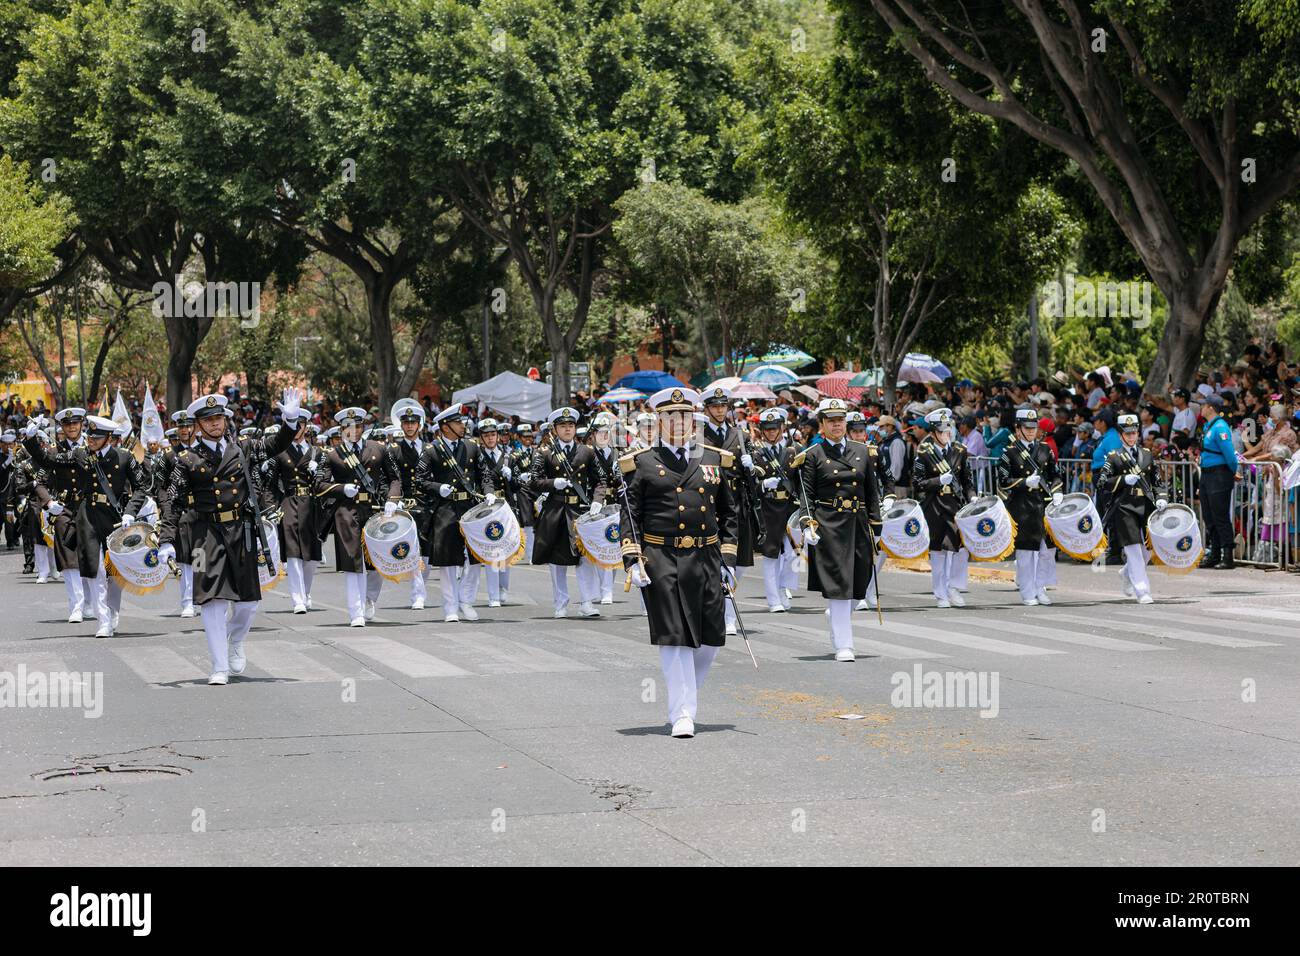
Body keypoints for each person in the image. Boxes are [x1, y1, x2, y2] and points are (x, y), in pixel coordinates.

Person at [618, 387, 738, 738]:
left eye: (685, 416)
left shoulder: (714, 459)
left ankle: (685, 696)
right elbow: (630, 515)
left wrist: (728, 557)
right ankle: (683, 712)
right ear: (659, 421)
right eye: (671, 417)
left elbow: (730, 513)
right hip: (661, 556)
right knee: (676, 637)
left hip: (705, 556)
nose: (679, 422)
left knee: (711, 639)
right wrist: (632, 558)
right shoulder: (641, 462)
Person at [157, 392, 298, 682]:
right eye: (208, 420)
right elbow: (173, 501)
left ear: (226, 420)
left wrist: (290, 421)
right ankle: (219, 665)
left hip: (240, 531)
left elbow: (275, 445)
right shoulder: (187, 460)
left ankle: (234, 639)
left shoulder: (243, 448)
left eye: (219, 418)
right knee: (212, 601)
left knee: (248, 603)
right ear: (198, 424)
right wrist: (167, 540)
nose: (215, 423)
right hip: (203, 535)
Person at [22, 414, 149, 637]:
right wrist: (31, 439)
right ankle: (103, 620)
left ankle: (112, 610)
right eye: (89, 435)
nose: (90, 440)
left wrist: (131, 512)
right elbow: (50, 460)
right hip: (88, 515)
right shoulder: (80, 454)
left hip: (115, 517)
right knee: (95, 568)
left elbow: (141, 487)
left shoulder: (124, 456)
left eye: (96, 437)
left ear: (108, 437)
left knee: (114, 571)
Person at [797, 398, 884, 661]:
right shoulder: (813, 455)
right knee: (839, 586)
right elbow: (807, 496)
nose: (837, 425)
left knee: (858, 583)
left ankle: (837, 615)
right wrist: (806, 524)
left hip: (857, 523)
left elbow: (871, 492)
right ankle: (844, 644)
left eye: (841, 420)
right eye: (831, 421)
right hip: (829, 524)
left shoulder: (862, 452)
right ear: (822, 424)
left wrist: (876, 523)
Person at [314, 406, 402, 626]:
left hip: (374, 509)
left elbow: (394, 478)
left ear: (364, 427)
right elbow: (319, 484)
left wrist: (392, 501)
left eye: (358, 426)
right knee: (352, 561)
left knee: (376, 560)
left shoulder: (378, 449)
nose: (354, 431)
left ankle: (369, 598)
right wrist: (341, 488)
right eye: (348, 427)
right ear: (342, 429)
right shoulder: (333, 455)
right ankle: (356, 612)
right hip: (346, 511)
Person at [416, 404, 497, 622]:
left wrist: (488, 492)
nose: (462, 426)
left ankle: (467, 600)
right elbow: (420, 481)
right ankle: (450, 606)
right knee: (448, 561)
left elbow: (485, 475)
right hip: (446, 509)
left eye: (462, 422)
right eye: (457, 422)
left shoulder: (472, 447)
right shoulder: (431, 450)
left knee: (476, 557)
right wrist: (437, 487)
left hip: (470, 508)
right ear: (445, 426)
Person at [530, 407, 601, 618]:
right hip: (556, 511)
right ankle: (560, 602)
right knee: (556, 559)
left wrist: (597, 500)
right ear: (555, 429)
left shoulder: (586, 452)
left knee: (585, 557)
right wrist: (553, 483)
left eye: (571, 426)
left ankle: (587, 602)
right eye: (563, 426)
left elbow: (600, 481)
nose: (568, 429)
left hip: (579, 510)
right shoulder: (544, 453)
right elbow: (534, 481)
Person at [701, 386, 761, 635]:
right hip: (710, 504)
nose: (719, 410)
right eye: (715, 406)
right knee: (720, 562)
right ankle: (726, 616)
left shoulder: (740, 436)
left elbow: (758, 470)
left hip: (737, 504)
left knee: (740, 563)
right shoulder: (698, 437)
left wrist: (752, 466)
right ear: (706, 409)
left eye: (723, 406)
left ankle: (723, 601)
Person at [1097, 413, 1167, 604]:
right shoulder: (1114, 457)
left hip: (1145, 505)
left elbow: (1157, 481)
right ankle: (1142, 590)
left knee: (1149, 549)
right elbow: (1102, 482)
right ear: (1120, 435)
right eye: (1127, 434)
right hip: (1124, 506)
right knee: (1134, 549)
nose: (1131, 437)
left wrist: (1161, 498)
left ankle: (1127, 572)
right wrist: (1121, 480)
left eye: (1134, 433)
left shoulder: (1146, 454)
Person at [997, 408, 1062, 606]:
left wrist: (1057, 490)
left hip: (1043, 505)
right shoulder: (1009, 452)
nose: (1032, 431)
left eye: (1034, 427)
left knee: (1046, 550)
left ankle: (1040, 586)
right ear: (1018, 429)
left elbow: (1055, 474)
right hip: (1022, 506)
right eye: (1027, 428)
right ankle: (1027, 591)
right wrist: (1025, 482)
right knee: (1026, 552)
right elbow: (1003, 481)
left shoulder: (1044, 450)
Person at [912, 408, 976, 608]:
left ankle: (954, 588)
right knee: (939, 551)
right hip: (935, 506)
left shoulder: (960, 450)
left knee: (958, 549)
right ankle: (940, 593)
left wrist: (972, 497)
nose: (946, 435)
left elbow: (967, 481)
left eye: (948, 431)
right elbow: (917, 483)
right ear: (933, 433)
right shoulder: (924, 453)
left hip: (956, 506)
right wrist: (937, 481)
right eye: (941, 432)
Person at [265, 406, 322, 613]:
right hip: (288, 502)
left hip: (312, 504)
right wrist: (271, 508)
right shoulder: (280, 452)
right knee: (293, 554)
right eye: (294, 425)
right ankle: (297, 598)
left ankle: (306, 591)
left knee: (312, 556)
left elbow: (326, 481)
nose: (298, 429)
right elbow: (270, 484)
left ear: (306, 427)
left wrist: (319, 473)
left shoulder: (317, 452)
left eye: (301, 425)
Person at [752, 407, 801, 612]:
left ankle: (784, 588)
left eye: (775, 428)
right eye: (767, 429)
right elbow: (749, 485)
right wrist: (762, 484)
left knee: (794, 554)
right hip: (769, 506)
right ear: (762, 430)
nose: (772, 433)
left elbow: (801, 481)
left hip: (790, 506)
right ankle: (773, 599)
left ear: (782, 428)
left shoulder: (794, 450)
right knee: (771, 554)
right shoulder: (755, 452)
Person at [462, 418, 513, 608]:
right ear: (481, 438)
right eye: (486, 435)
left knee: (505, 551)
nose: (490, 438)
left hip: (504, 507)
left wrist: (513, 476)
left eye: (493, 434)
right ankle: (493, 595)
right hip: (485, 508)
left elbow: (517, 488)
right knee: (490, 551)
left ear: (498, 436)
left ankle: (502, 587)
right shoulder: (477, 456)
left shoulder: (509, 457)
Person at [1198, 394, 1238, 569]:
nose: (1201, 408)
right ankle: (1214, 553)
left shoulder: (1220, 427)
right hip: (1207, 474)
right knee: (1209, 515)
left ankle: (1227, 555)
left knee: (1220, 515)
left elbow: (1230, 455)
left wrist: (1233, 472)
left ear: (1210, 408)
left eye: (1203, 405)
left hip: (1219, 475)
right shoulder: (1209, 426)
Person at [510, 423, 539, 563]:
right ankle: (530, 554)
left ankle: (538, 551)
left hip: (537, 488)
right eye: (525, 437)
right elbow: (512, 475)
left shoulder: (537, 452)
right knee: (527, 521)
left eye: (530, 436)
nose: (528, 439)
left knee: (540, 520)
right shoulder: (514, 455)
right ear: (519, 438)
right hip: (523, 489)